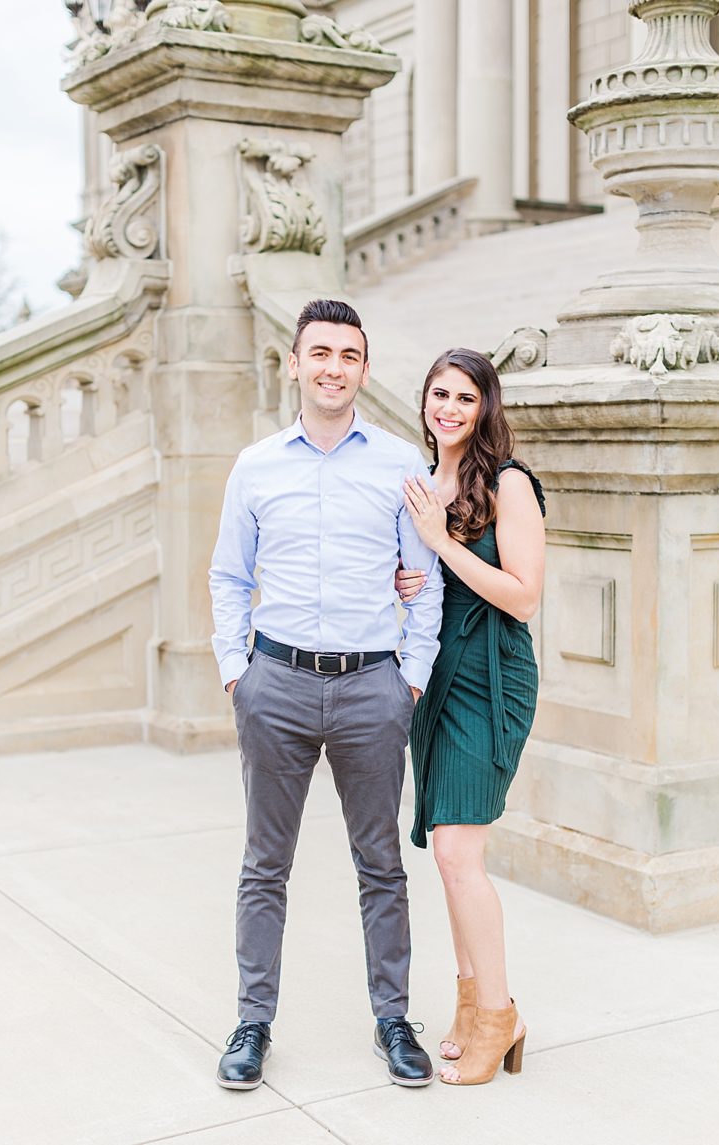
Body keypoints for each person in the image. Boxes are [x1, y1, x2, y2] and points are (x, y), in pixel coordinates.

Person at [208, 299, 444, 1091]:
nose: (333, 367)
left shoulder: (400, 463)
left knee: (379, 864)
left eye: (348, 354)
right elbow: (229, 575)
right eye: (320, 352)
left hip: (371, 687)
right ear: (296, 363)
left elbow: (427, 578)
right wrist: (235, 670)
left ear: (364, 369)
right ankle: (252, 1020)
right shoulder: (256, 464)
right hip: (273, 683)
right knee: (263, 863)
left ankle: (392, 1018)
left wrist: (410, 676)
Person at [399, 347, 546, 1086]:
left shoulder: (510, 482)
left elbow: (522, 596)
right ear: (424, 402)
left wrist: (441, 544)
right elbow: (436, 585)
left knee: (461, 853)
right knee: (448, 854)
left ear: (485, 406)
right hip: (439, 675)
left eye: (465, 397)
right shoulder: (429, 483)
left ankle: (500, 1014)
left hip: (492, 675)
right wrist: (411, 578)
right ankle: (469, 1004)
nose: (449, 408)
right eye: (439, 394)